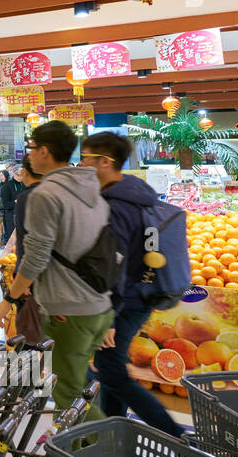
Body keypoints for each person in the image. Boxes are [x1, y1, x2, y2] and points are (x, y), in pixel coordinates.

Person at [0, 121, 112, 426]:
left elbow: (34, 257)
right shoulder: (93, 188)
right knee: (78, 386)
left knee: (68, 395)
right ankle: (74, 453)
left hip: (67, 308)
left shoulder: (44, 195)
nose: (30, 154)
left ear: (44, 152)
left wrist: (10, 297)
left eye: (32, 148)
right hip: (99, 303)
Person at [79, 132, 184, 438]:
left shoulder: (116, 204)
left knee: (109, 370)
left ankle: (175, 435)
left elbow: (116, 264)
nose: (81, 164)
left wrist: (108, 317)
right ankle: (107, 432)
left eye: (85, 158)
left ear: (104, 162)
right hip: (141, 292)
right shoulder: (137, 193)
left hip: (127, 299)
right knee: (109, 368)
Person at [0, 168, 23, 242]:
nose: (21, 177)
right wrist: (15, 202)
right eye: (19, 175)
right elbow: (6, 205)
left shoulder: (25, 184)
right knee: (14, 241)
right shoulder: (6, 187)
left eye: (23, 175)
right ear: (13, 174)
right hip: (12, 217)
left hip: (24, 216)